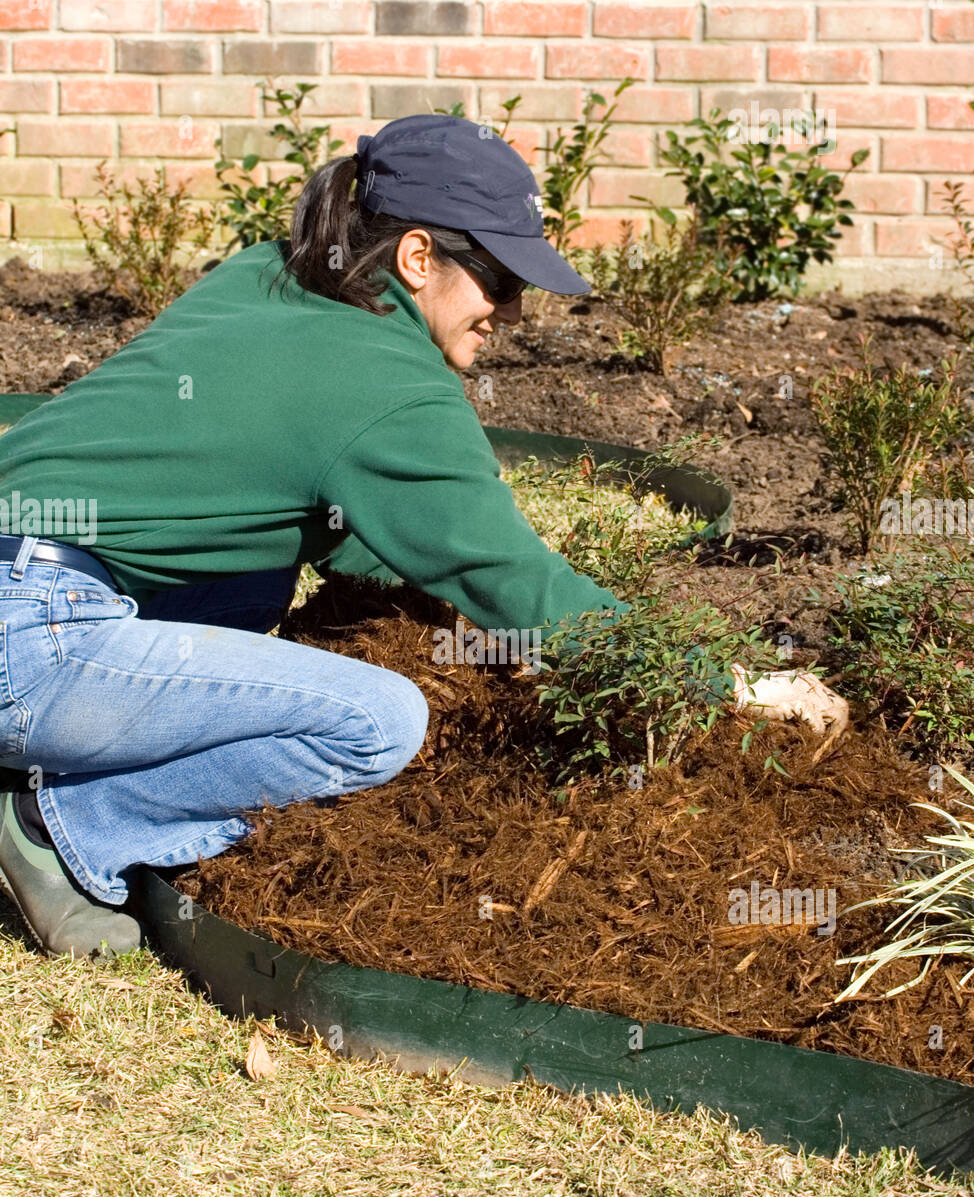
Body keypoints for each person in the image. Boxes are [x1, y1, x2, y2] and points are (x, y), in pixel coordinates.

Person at [0, 114, 847, 960]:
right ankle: (53, 825)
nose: (511, 313)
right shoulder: (393, 384)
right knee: (376, 721)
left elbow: (343, 523)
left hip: (33, 592)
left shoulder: (268, 277)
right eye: (500, 280)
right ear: (416, 258)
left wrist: (472, 617)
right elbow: (513, 576)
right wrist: (728, 683)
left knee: (259, 579)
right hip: (33, 631)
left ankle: (36, 755)